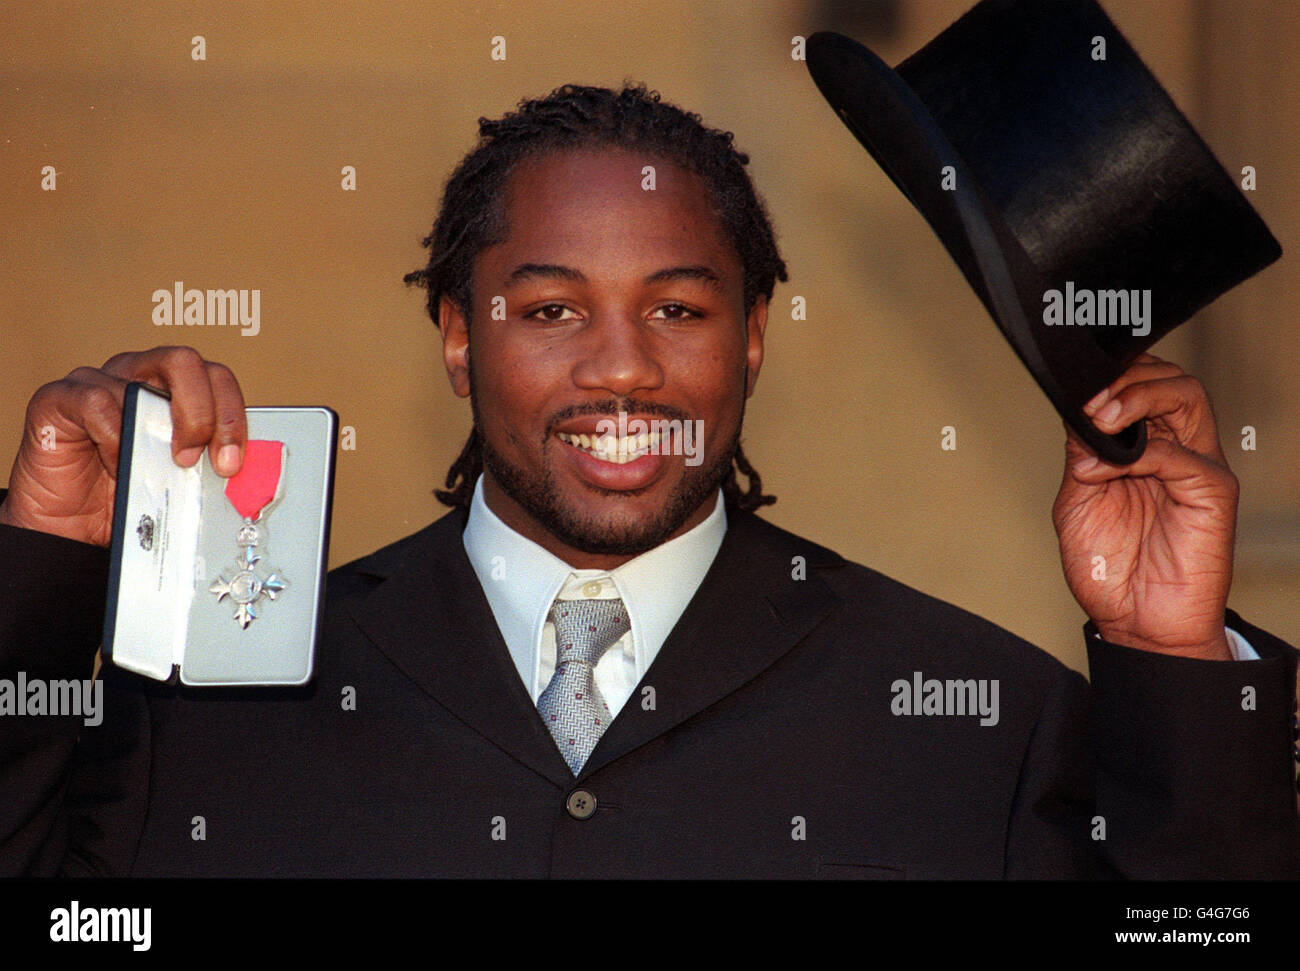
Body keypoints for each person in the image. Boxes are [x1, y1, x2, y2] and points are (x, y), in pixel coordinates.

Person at [0, 83, 1295, 878]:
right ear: (458, 336)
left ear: (752, 336)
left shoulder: (988, 721)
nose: (622, 372)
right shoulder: (215, 705)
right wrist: (43, 560)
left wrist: (1170, 659)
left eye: (678, 308)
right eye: (550, 308)